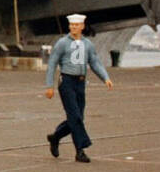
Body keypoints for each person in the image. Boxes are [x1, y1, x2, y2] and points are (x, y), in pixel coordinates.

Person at [44, 13, 113, 163]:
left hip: (80, 83)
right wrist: (49, 86)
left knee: (77, 118)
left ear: (82, 26)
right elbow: (52, 64)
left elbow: (94, 62)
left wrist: (105, 78)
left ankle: (55, 137)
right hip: (66, 82)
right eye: (72, 25)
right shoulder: (62, 43)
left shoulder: (88, 44)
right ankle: (80, 151)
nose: (74, 27)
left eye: (77, 25)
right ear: (69, 26)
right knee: (75, 117)